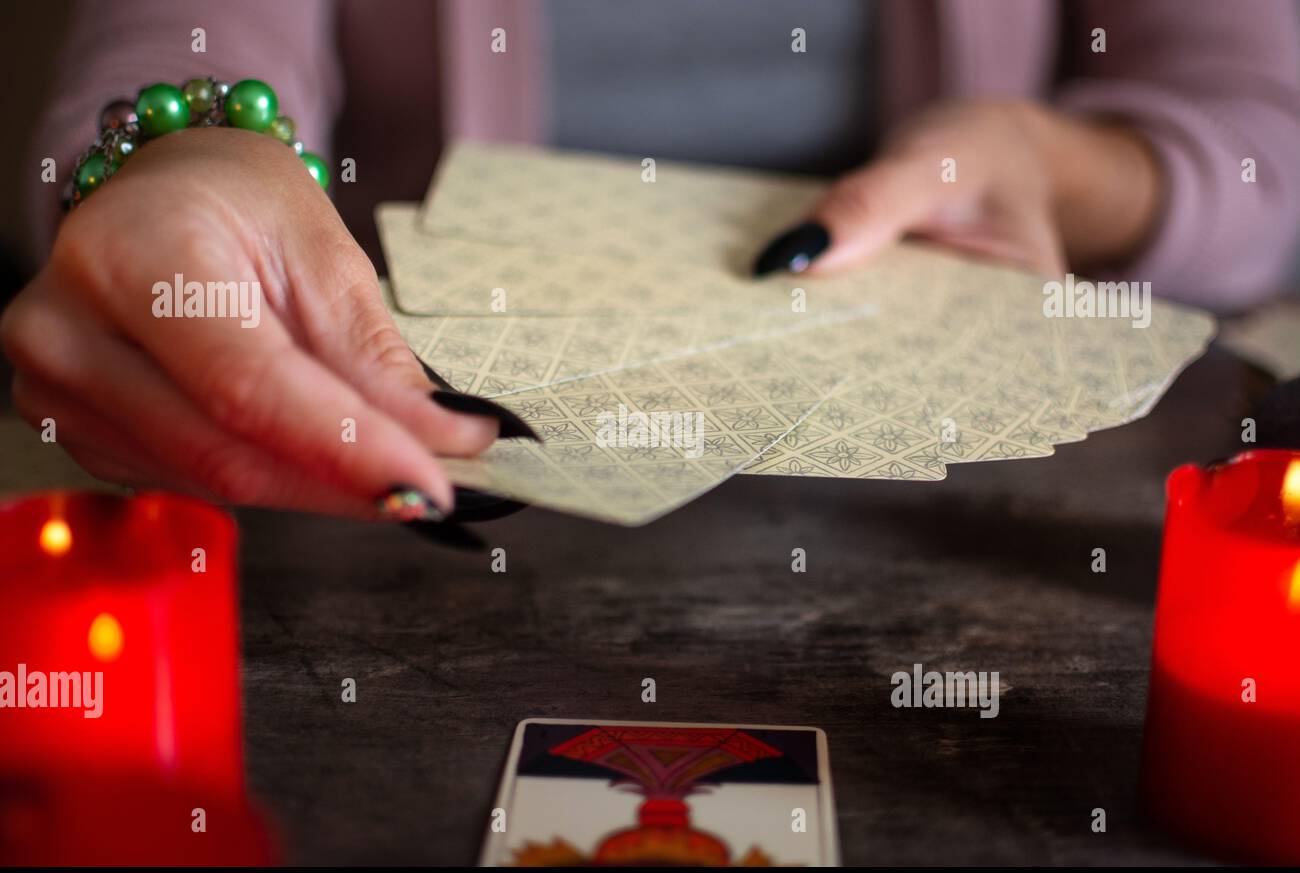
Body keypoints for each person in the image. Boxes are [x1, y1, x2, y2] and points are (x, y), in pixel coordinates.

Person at [4, 0, 1299, 520]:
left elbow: (1257, 136)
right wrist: (185, 159)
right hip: (378, 464)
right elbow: (191, 35)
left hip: (970, 510)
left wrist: (1058, 167)